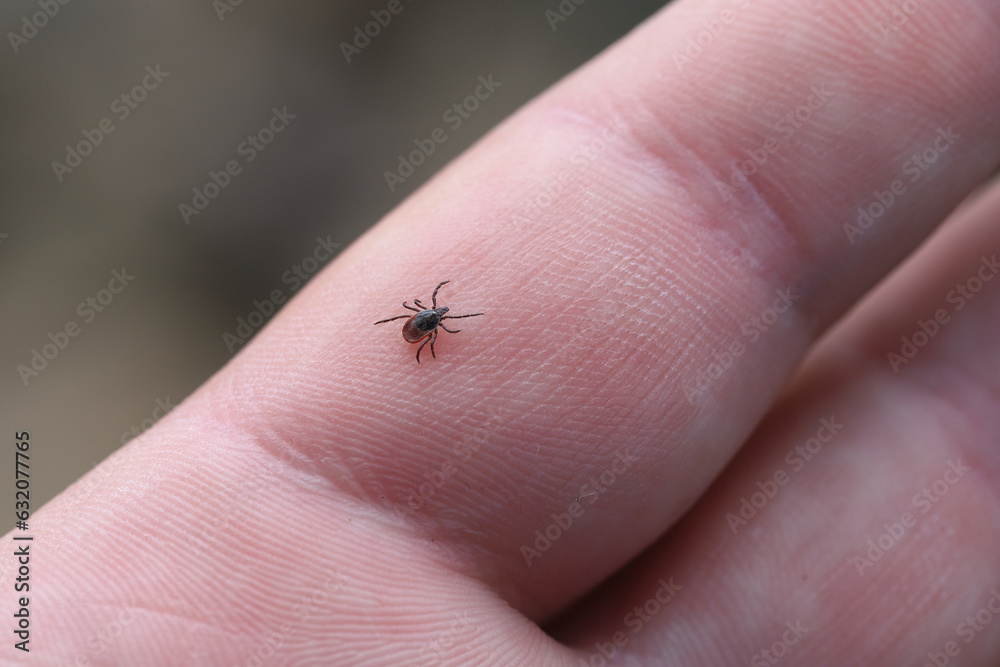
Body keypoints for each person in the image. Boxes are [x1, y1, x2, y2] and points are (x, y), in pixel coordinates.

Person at [7, 0, 1000, 664]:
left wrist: (424, 326)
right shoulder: (429, 325)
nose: (428, 322)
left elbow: (422, 317)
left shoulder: (424, 321)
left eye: (428, 320)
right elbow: (427, 318)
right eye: (425, 321)